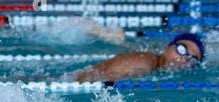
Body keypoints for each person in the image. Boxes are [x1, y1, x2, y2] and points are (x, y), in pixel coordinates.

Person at [72, 33, 204, 83]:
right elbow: (100, 80)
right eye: (182, 50)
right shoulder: (146, 60)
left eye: (192, 59)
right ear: (169, 46)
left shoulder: (155, 68)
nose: (184, 58)